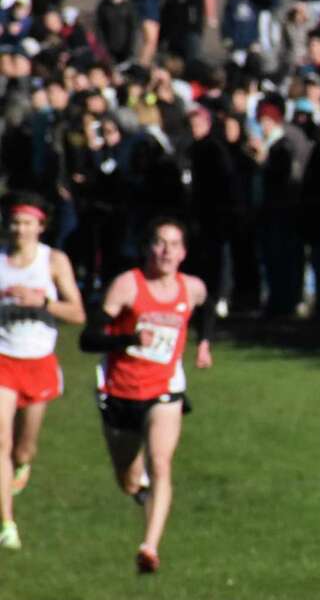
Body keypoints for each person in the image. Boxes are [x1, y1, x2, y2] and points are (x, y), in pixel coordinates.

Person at [79, 217, 213, 574]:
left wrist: (204, 343)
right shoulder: (127, 286)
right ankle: (138, 489)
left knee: (162, 462)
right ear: (148, 248)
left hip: (164, 390)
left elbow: (206, 307)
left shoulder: (192, 288)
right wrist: (129, 340)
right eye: (159, 243)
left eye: (174, 244)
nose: (166, 251)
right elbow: (87, 340)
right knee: (127, 478)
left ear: (184, 253)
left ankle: (150, 546)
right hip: (119, 392)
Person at [0, 199, 86, 552]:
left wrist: (42, 303)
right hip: (3, 359)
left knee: (23, 449)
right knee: (0, 444)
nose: (20, 229)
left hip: (38, 363)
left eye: (27, 223)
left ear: (41, 227)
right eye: (15, 222)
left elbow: (78, 313)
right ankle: (7, 522)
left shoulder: (53, 261)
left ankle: (21, 464)